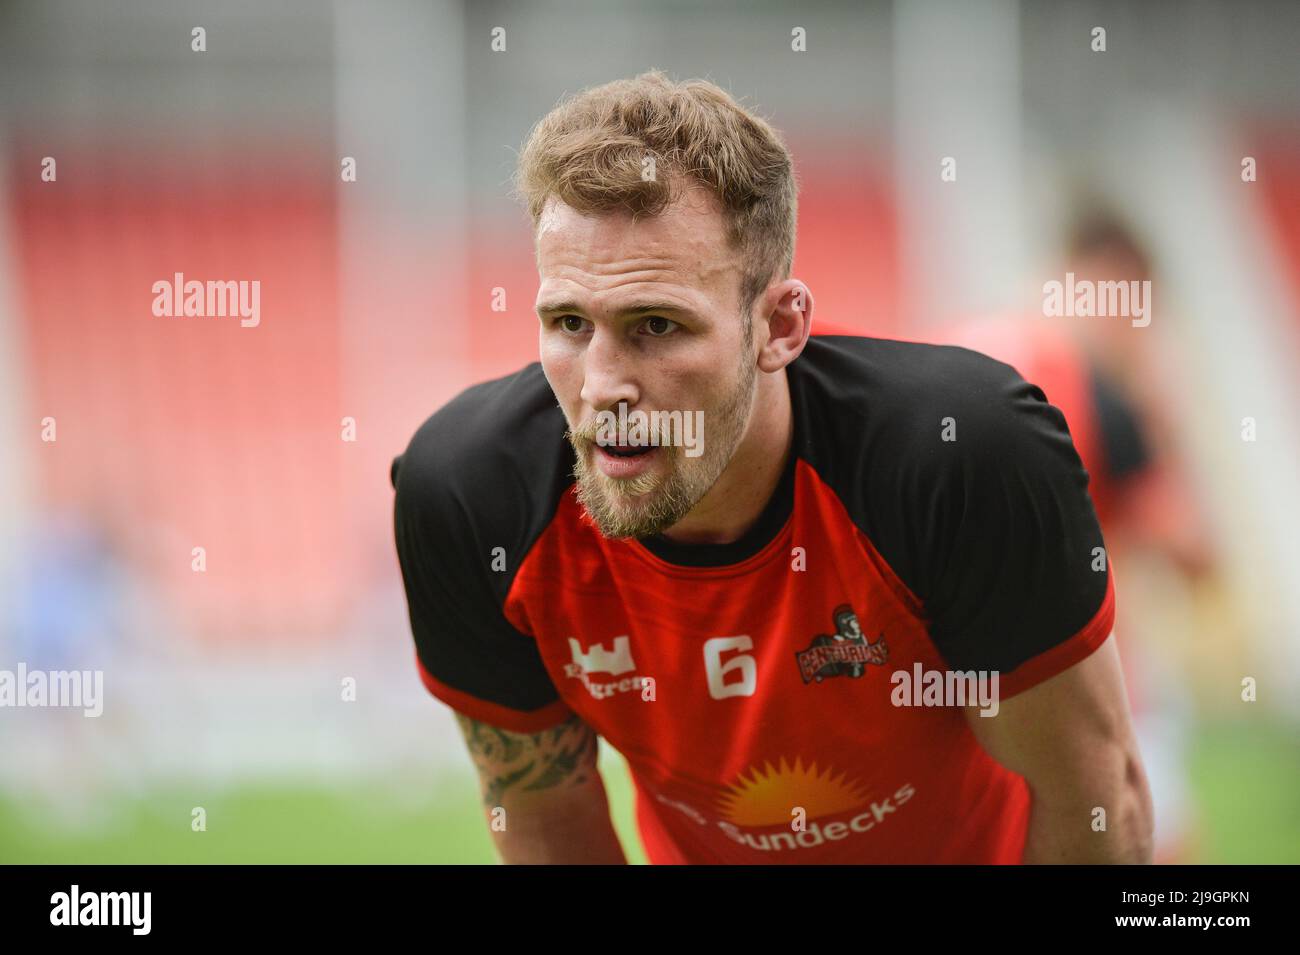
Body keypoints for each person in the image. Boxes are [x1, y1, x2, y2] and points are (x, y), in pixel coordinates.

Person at [391, 71, 1153, 863]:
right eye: (569, 322)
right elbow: (548, 824)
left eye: (657, 324)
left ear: (781, 325)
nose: (602, 384)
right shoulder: (468, 496)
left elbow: (1095, 799)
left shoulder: (961, 460)